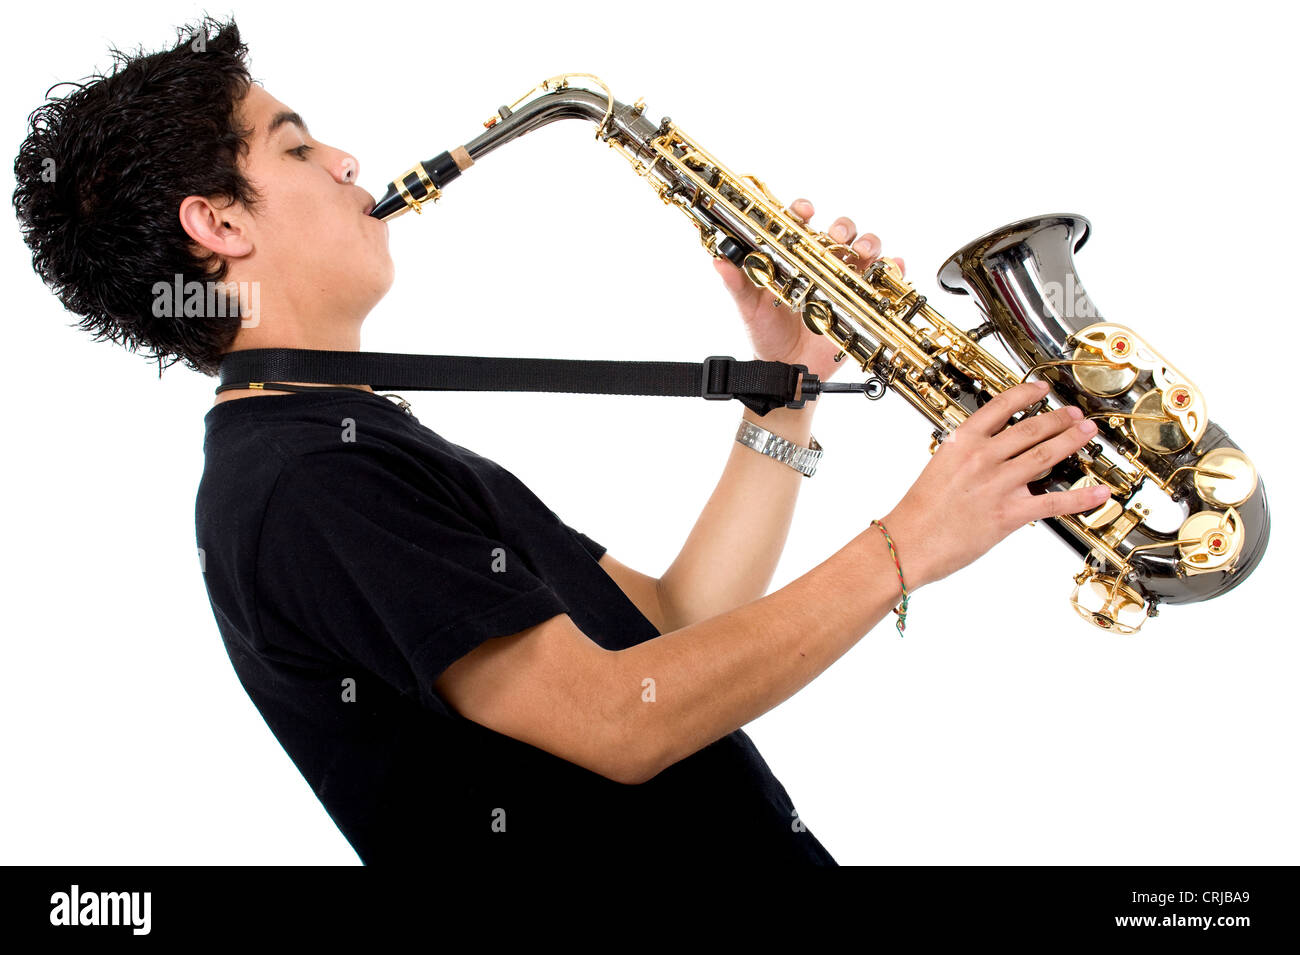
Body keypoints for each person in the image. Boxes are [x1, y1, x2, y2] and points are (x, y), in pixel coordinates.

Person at [13, 16, 1113, 865]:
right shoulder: (307, 479)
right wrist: (910, 542)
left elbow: (671, 629)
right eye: (296, 146)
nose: (349, 158)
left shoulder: (346, 443)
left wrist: (787, 389)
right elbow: (621, 724)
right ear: (220, 222)